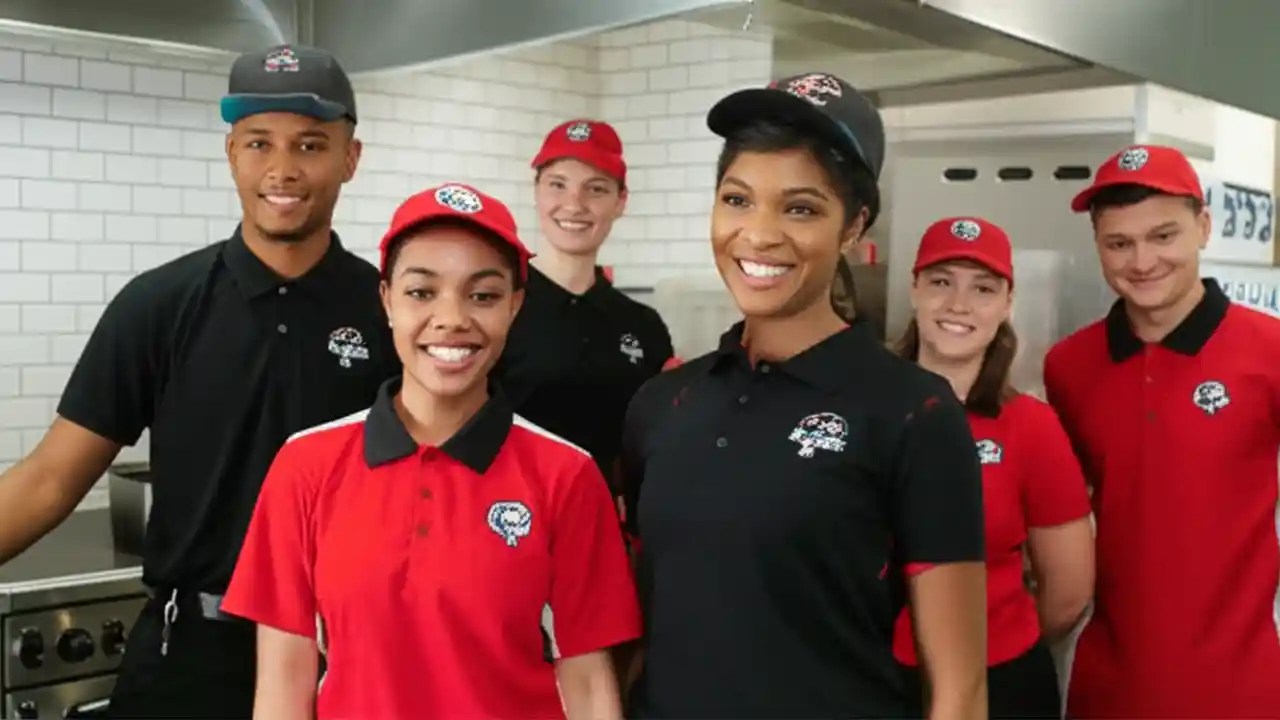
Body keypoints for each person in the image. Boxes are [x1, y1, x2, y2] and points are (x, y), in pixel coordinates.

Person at [0, 44, 397, 718]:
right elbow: (49, 479)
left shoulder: (390, 312)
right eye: (259, 143)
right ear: (231, 153)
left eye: (309, 145)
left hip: (348, 655)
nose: (282, 169)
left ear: (349, 158)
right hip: (188, 657)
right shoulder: (159, 305)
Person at [619, 72, 989, 719]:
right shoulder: (661, 404)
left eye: (800, 208)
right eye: (737, 200)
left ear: (854, 226)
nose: (759, 235)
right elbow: (641, 634)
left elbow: (959, 690)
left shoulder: (913, 412)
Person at [222, 183, 641, 720]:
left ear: (515, 306)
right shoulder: (305, 465)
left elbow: (587, 684)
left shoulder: (567, 474)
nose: (452, 318)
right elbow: (284, 681)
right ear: (386, 301)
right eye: (422, 292)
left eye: (483, 296)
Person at [1044, 144, 1280, 719]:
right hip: (1107, 691)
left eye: (1163, 236)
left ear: (1204, 227)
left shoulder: (1270, 351)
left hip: (1242, 693)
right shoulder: (1068, 367)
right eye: (1119, 243)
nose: (1142, 261)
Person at [891, 216, 1095, 718]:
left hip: (1000, 682)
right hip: (873, 678)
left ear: (1007, 304)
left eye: (983, 288)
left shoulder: (1032, 427)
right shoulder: (860, 414)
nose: (958, 305)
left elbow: (1069, 591)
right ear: (914, 289)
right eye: (941, 282)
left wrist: (999, 643)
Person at [495, 119, 674, 490]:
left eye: (596, 189)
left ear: (620, 202)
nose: (574, 205)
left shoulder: (643, 326)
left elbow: (646, 446)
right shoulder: (496, 304)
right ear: (536, 192)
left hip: (601, 516)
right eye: (557, 185)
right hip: (505, 513)